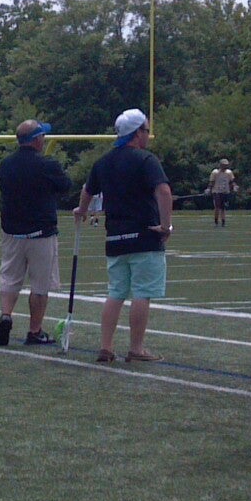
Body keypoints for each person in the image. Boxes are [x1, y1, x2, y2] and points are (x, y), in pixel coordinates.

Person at [74, 108, 173, 363]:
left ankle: (106, 347)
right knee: (142, 293)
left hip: (115, 238)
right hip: (144, 236)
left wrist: (82, 210)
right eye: (147, 131)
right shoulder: (145, 160)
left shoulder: (103, 162)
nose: (148, 136)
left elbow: (88, 190)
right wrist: (166, 225)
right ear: (138, 132)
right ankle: (136, 348)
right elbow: (163, 191)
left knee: (116, 292)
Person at [0, 119, 71, 346]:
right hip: (41, 232)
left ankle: (6, 315)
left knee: (9, 278)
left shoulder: (7, 164)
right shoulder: (47, 164)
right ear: (37, 139)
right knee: (40, 284)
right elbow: (66, 186)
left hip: (12, 230)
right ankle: (34, 330)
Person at [207, 158, 237, 227]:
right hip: (216, 191)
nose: (225, 167)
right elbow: (211, 182)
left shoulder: (229, 172)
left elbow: (232, 181)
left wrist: (234, 187)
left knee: (223, 208)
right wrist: (209, 189)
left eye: (226, 165)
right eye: (224, 165)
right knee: (217, 207)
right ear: (220, 165)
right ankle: (216, 221)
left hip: (225, 192)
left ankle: (223, 222)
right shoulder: (215, 172)